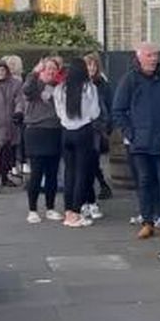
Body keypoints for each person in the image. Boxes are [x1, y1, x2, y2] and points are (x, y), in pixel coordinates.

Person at [113, 42, 160, 239]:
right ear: (140, 57)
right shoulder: (130, 79)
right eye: (150, 55)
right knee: (144, 181)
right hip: (140, 143)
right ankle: (147, 221)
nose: (154, 58)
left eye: (155, 55)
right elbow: (118, 110)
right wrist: (131, 134)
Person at [54, 58, 101, 228]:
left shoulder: (60, 89)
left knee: (69, 172)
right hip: (83, 131)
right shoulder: (89, 88)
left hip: (66, 132)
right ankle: (75, 212)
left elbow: (59, 113)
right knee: (82, 173)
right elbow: (95, 112)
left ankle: (68, 211)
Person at [23, 58, 64, 224]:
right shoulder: (35, 85)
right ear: (42, 70)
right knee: (36, 172)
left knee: (52, 173)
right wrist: (34, 73)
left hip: (54, 131)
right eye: (48, 69)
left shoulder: (59, 88)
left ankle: (50, 207)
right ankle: (32, 209)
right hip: (36, 131)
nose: (51, 72)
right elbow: (27, 90)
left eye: (54, 69)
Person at [84, 52, 113, 205]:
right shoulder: (80, 83)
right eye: (89, 65)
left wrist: (107, 126)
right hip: (83, 125)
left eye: (94, 65)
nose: (92, 68)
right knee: (90, 160)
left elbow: (109, 104)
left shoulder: (102, 83)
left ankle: (102, 185)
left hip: (97, 126)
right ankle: (101, 185)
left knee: (93, 158)